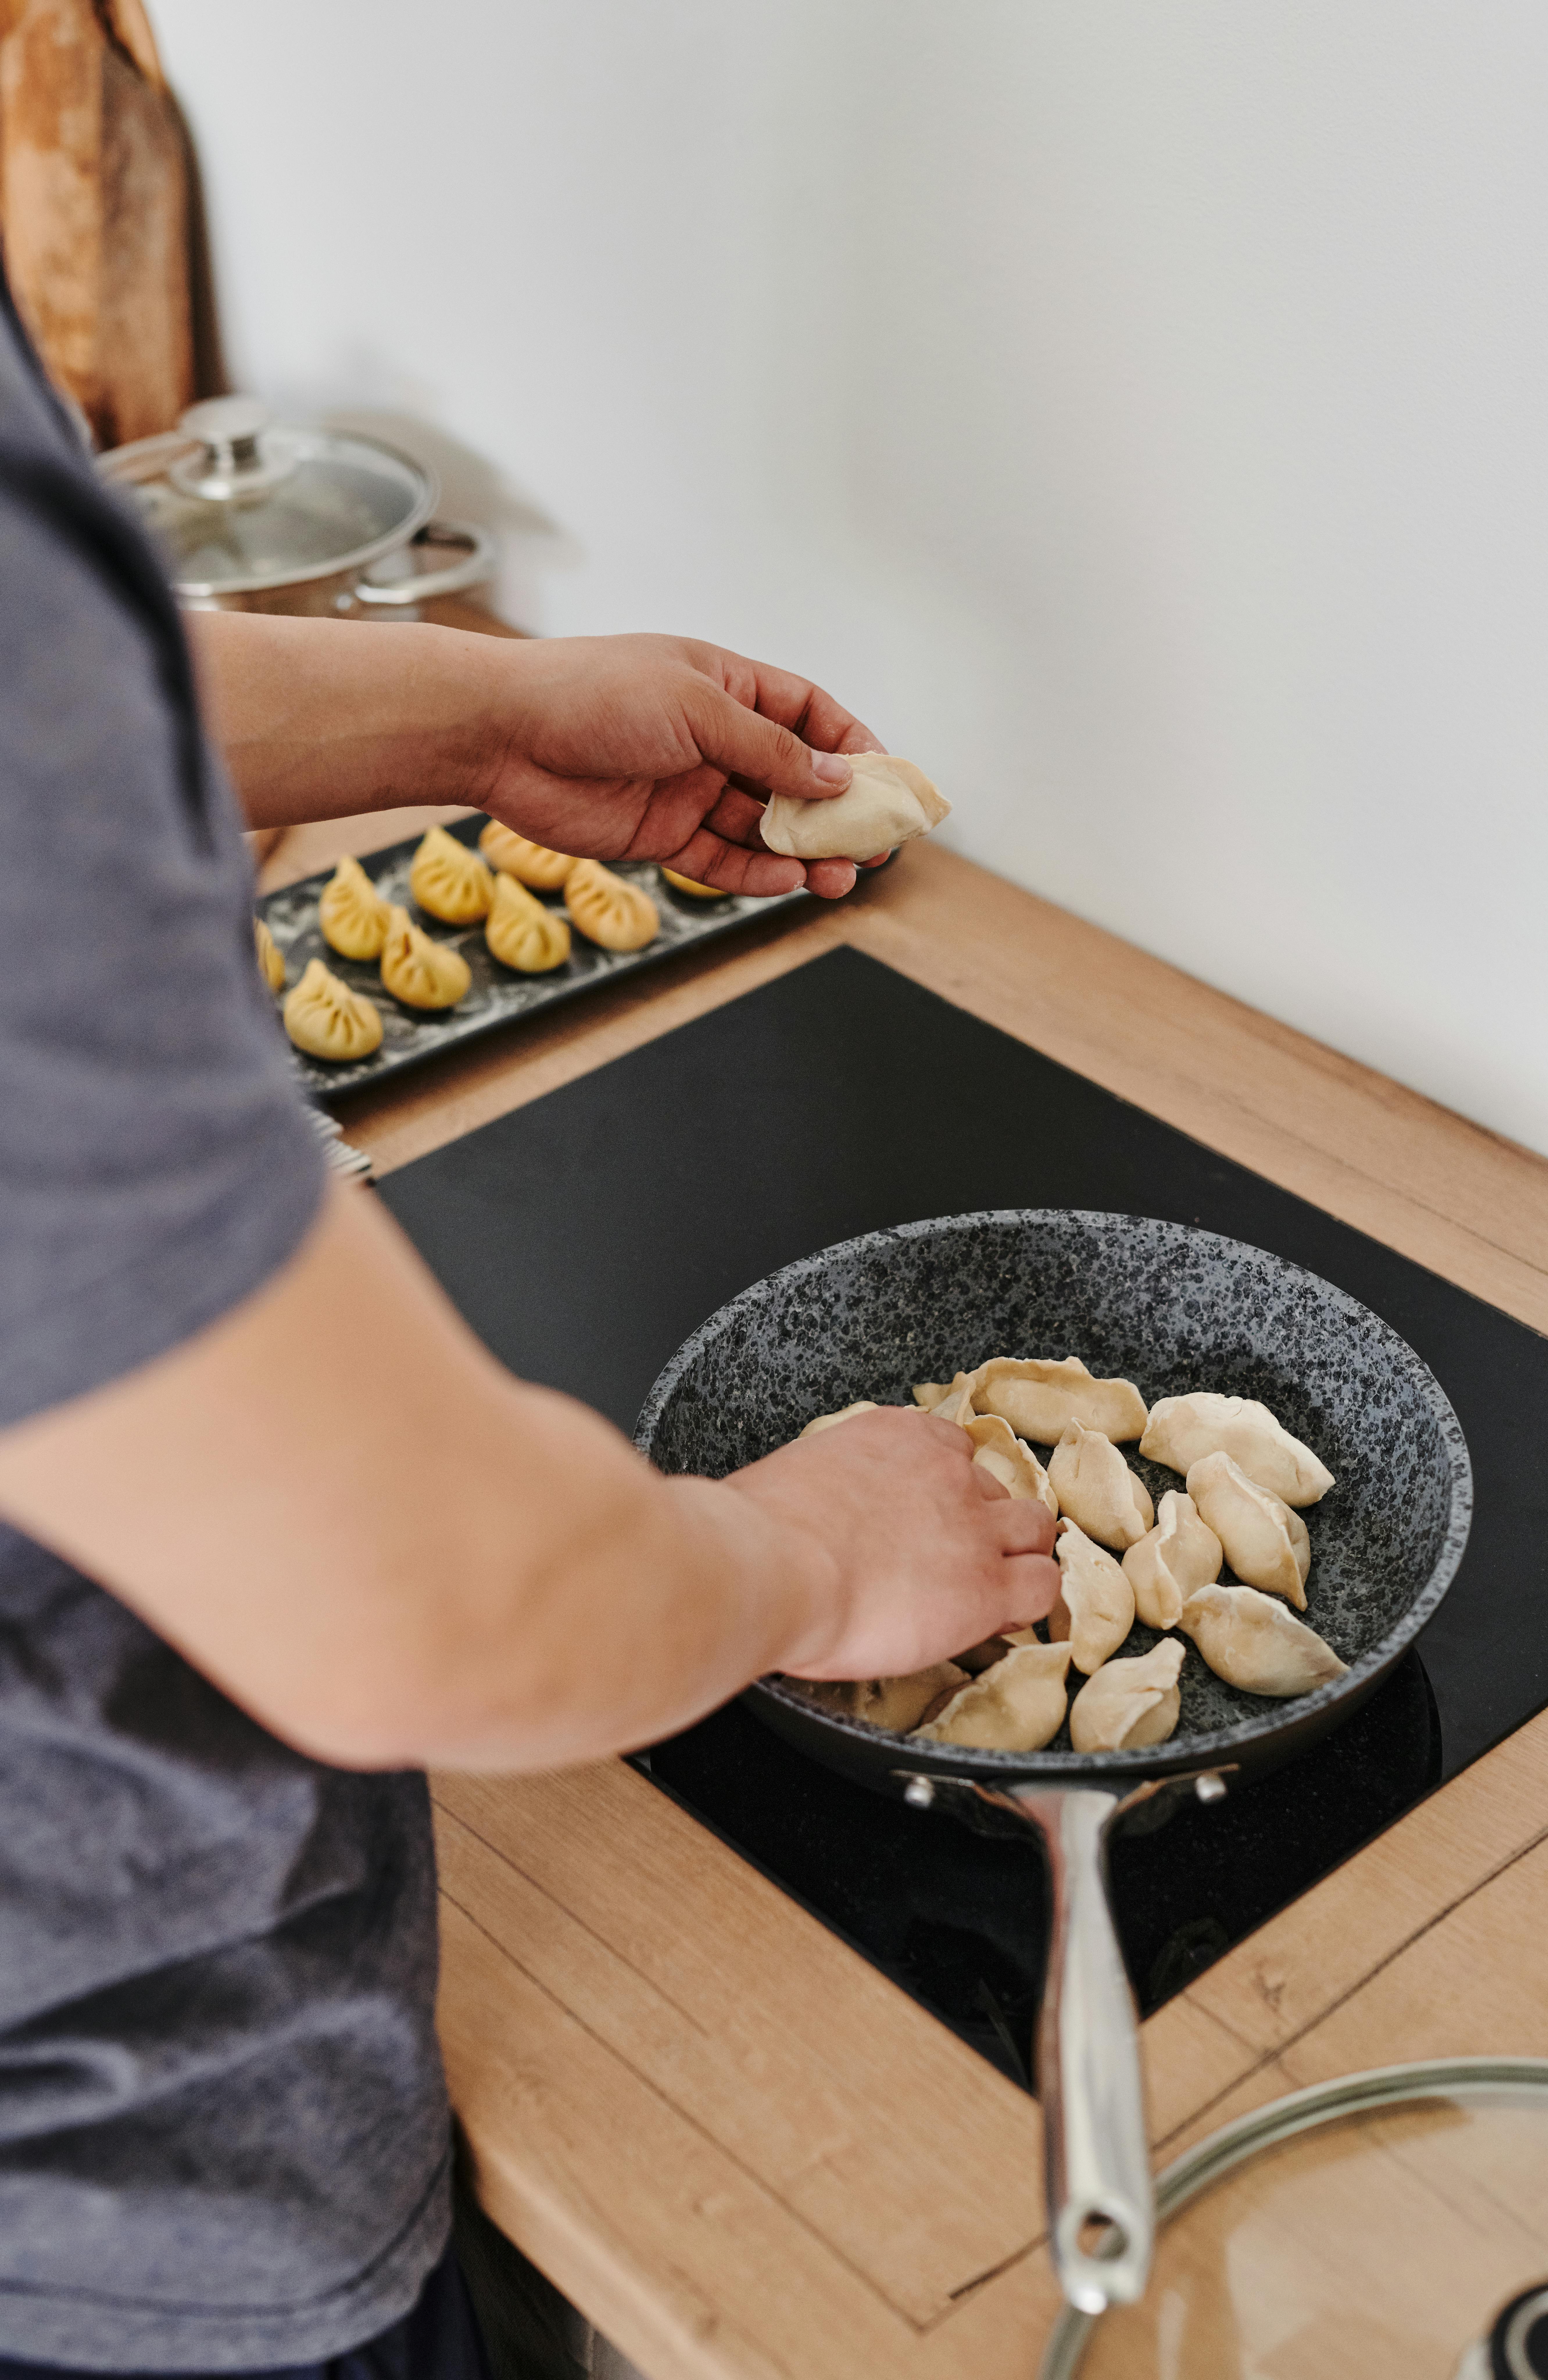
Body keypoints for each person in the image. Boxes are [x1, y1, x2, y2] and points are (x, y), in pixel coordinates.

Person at [0, 267, 1057, 2379]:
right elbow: (425, 1602)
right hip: (114, 2198)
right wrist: (820, 1554)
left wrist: (481, 717)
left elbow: (56, 708)